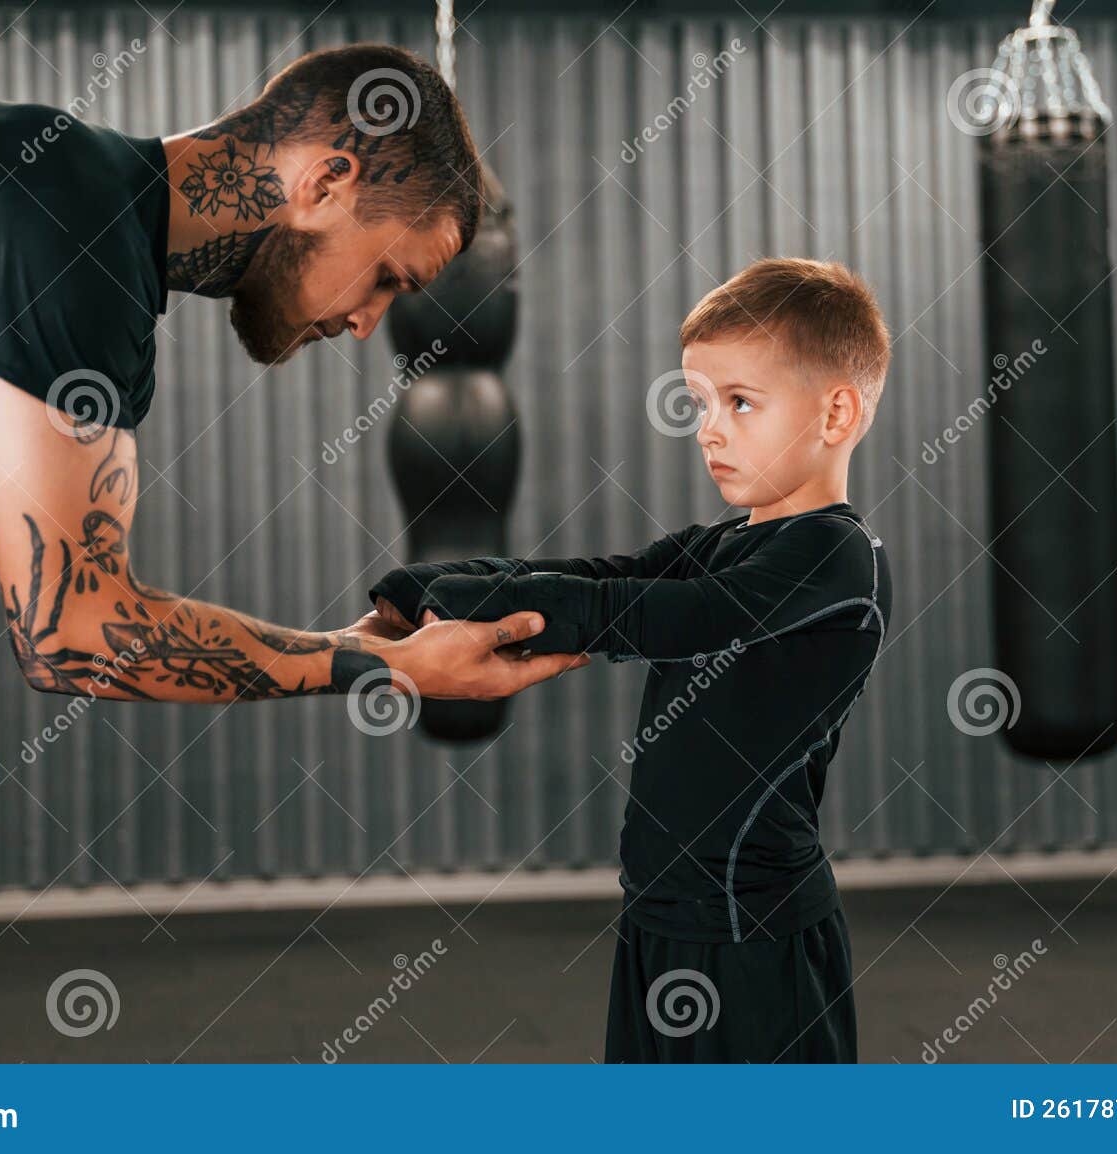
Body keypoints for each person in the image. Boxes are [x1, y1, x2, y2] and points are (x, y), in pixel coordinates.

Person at [0, 43, 585, 1064]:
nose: (367, 324)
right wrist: (388, 663)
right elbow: (72, 633)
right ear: (325, 181)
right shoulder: (70, 217)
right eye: (388, 277)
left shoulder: (96, 233)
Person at [368, 258, 893, 1062]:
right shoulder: (725, 541)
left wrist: (459, 606)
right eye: (700, 403)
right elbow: (605, 576)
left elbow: (667, 615)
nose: (709, 428)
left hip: (753, 932)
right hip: (660, 915)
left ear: (836, 413)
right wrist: (436, 582)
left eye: (740, 403)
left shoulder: (836, 557)